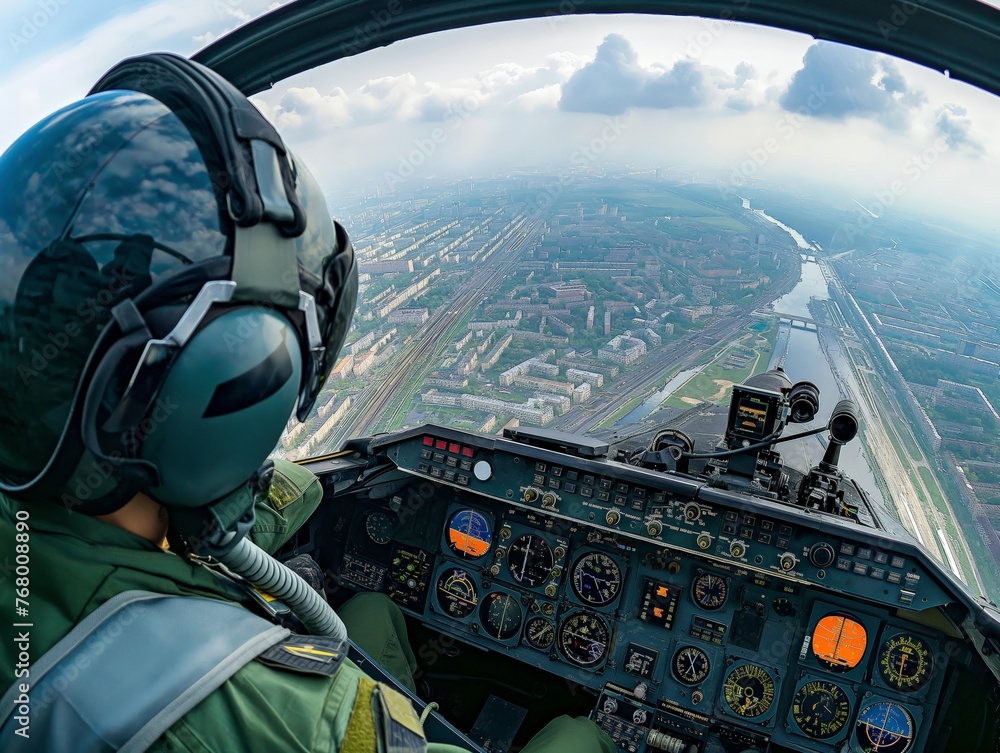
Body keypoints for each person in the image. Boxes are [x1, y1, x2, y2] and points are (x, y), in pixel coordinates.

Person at [0, 53, 614, 753]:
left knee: (377, 608)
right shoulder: (287, 725)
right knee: (576, 731)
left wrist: (233, 494)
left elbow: (260, 499)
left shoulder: (37, 497)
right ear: (227, 388)